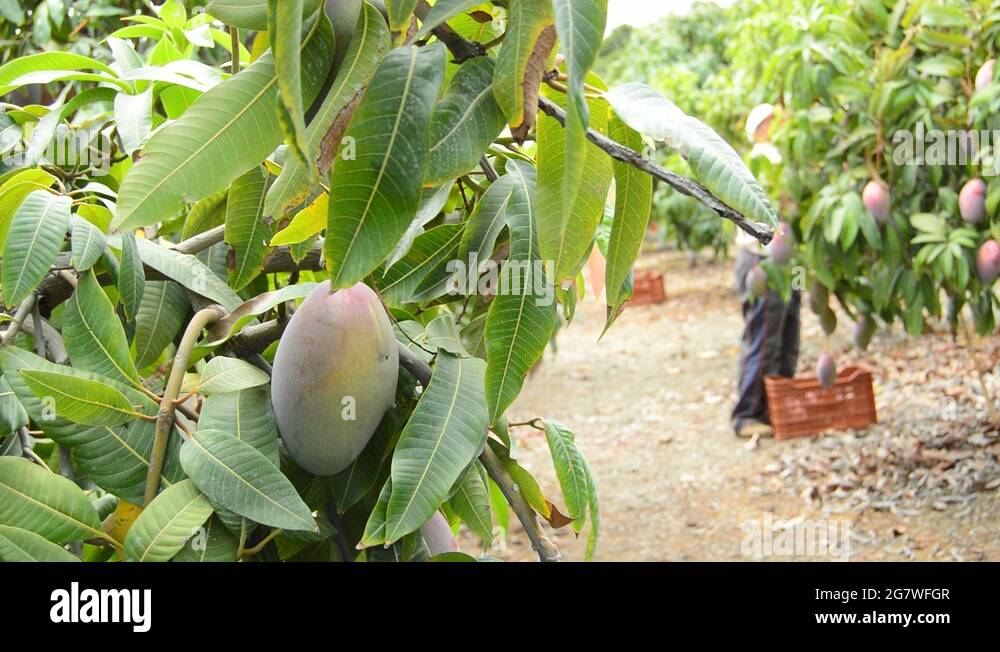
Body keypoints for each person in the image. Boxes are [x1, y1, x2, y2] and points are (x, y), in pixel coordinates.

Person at [732, 104, 801, 438]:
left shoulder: (780, 156)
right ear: (760, 128)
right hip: (762, 260)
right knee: (766, 331)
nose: (782, 123)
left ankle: (778, 406)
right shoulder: (764, 157)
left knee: (788, 328)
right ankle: (748, 413)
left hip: (788, 261)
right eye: (774, 120)